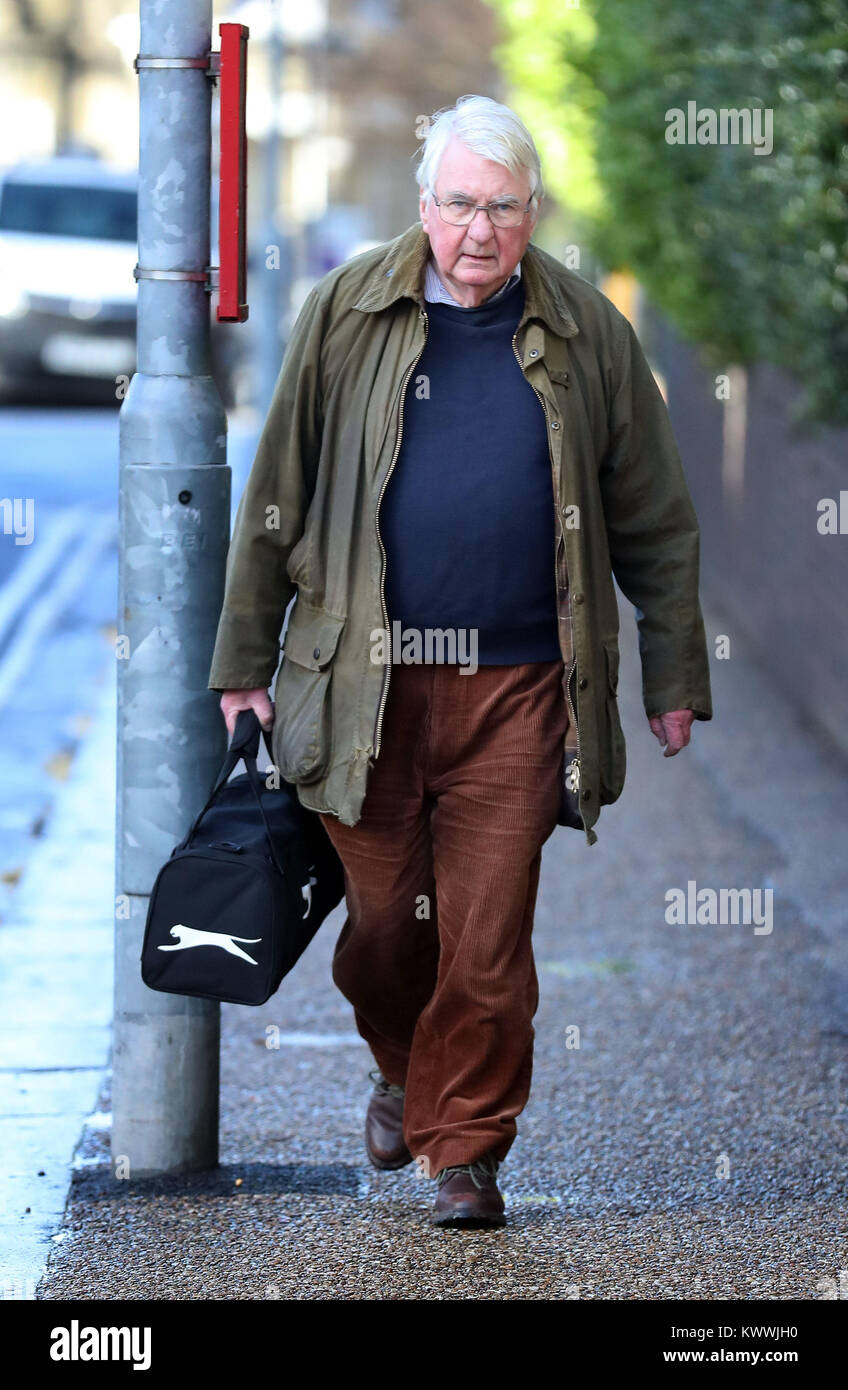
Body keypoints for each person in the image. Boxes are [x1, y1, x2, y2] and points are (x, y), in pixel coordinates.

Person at [208, 94, 713, 1229]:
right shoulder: (346, 311)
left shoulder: (587, 335)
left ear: (532, 213)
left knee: (487, 941)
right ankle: (402, 1068)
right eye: (457, 205)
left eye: (501, 207)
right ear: (421, 205)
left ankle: (465, 1152)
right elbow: (275, 491)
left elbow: (655, 519)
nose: (477, 231)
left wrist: (674, 674)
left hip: (521, 693)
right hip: (361, 688)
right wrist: (243, 654)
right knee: (388, 928)